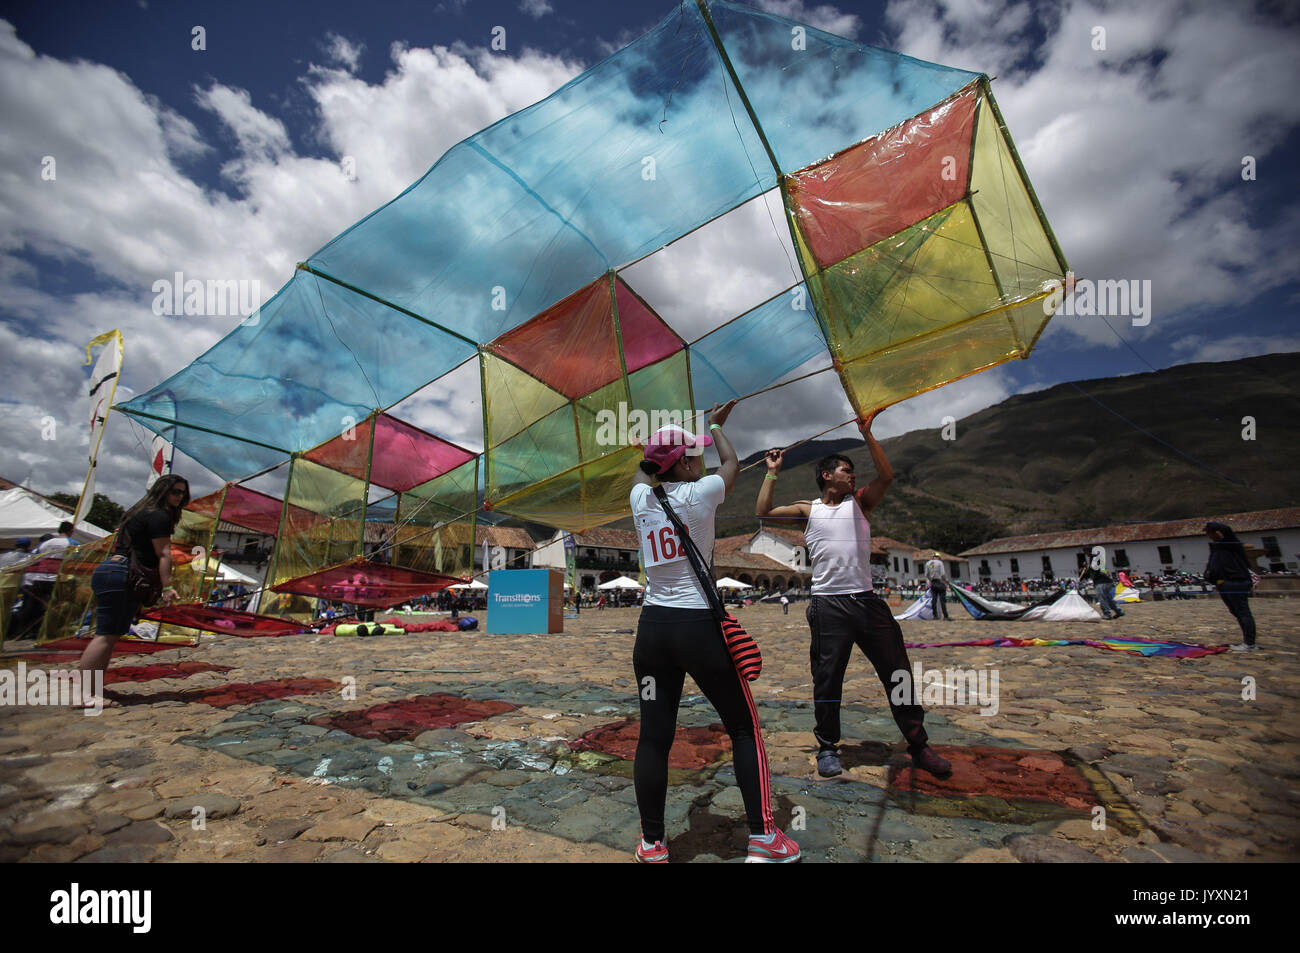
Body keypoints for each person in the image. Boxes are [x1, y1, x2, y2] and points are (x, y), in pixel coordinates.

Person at [629, 400, 799, 863]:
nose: (700, 459)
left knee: (653, 737)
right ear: (684, 462)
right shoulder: (702, 493)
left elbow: (646, 474)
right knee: (744, 730)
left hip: (652, 631)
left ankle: (652, 843)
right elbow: (731, 463)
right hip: (698, 628)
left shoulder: (639, 499)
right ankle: (764, 837)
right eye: (692, 453)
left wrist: (653, 456)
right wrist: (718, 425)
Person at [757, 413, 952, 781]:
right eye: (847, 470)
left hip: (866, 601)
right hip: (828, 605)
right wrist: (772, 470)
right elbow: (762, 511)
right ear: (827, 475)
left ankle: (919, 745)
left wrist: (867, 434)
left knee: (898, 672)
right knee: (827, 678)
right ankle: (828, 746)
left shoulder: (860, 503)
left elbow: (887, 476)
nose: (853, 475)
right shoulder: (808, 510)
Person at [76, 475, 190, 701]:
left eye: (182, 493)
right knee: (105, 637)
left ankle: (93, 689)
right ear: (162, 491)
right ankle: (85, 694)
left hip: (112, 570)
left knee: (110, 634)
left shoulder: (136, 513)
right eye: (175, 491)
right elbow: (164, 553)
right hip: (123, 574)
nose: (179, 497)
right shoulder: (159, 516)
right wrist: (167, 586)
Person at [13, 521, 79, 639]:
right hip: (57, 579)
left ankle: (21, 631)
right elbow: (78, 558)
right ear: (70, 531)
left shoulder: (44, 544)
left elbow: (34, 558)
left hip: (39, 577)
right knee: (54, 606)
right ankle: (45, 632)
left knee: (31, 605)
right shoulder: (73, 543)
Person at [1204, 522, 1257, 651]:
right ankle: (1248, 640)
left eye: (1210, 533)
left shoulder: (1231, 544)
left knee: (1242, 611)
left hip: (1235, 581)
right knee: (1236, 612)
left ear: (1217, 532)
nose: (1208, 536)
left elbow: (1227, 529)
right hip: (1223, 583)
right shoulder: (1216, 548)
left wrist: (1212, 525)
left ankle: (1249, 643)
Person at [1082, 546, 1123, 619]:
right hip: (1106, 581)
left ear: (1088, 551)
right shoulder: (1095, 557)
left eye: (1085, 552)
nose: (1085, 554)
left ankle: (1107, 614)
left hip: (1101, 581)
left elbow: (1094, 569)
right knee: (1108, 598)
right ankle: (1119, 611)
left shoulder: (1094, 558)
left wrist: (1087, 569)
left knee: (1102, 599)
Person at [923, 552, 950, 620]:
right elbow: (943, 574)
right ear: (939, 557)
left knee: (934, 600)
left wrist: (930, 580)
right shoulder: (940, 563)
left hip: (933, 583)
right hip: (939, 582)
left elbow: (926, 574)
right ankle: (945, 616)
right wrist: (946, 581)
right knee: (942, 600)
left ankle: (935, 616)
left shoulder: (928, 563)